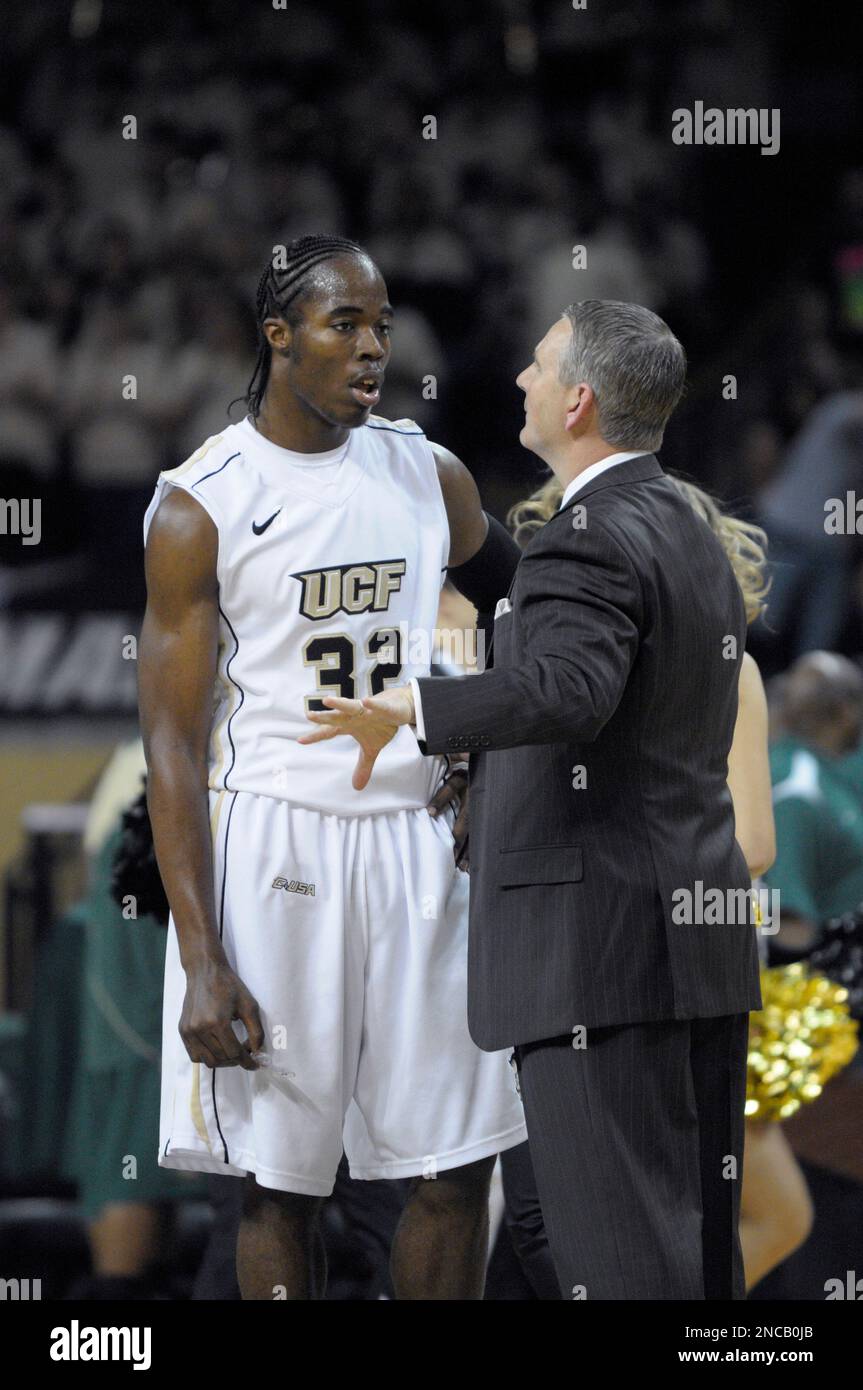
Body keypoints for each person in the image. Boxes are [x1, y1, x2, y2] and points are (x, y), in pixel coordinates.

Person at [302, 299, 762, 1299]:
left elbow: (569, 688)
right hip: (695, 946)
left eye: (540, 365)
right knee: (695, 1263)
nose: (519, 378)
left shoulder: (581, 535)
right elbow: (598, 670)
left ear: (581, 398)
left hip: (597, 956)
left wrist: (415, 706)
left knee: (624, 1266)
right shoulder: (687, 525)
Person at [138, 234, 527, 1301]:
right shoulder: (199, 501)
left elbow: (530, 610)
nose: (371, 350)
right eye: (342, 325)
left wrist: (480, 748)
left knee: (455, 1165)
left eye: (382, 328)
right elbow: (169, 745)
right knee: (280, 1187)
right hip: (275, 848)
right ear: (277, 338)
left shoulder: (425, 469)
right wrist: (204, 957)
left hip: (415, 843)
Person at [498, 474, 814, 1294]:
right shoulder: (579, 671)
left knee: (601, 1223)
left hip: (625, 968)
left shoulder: (712, 670)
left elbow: (752, 842)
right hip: (607, 965)